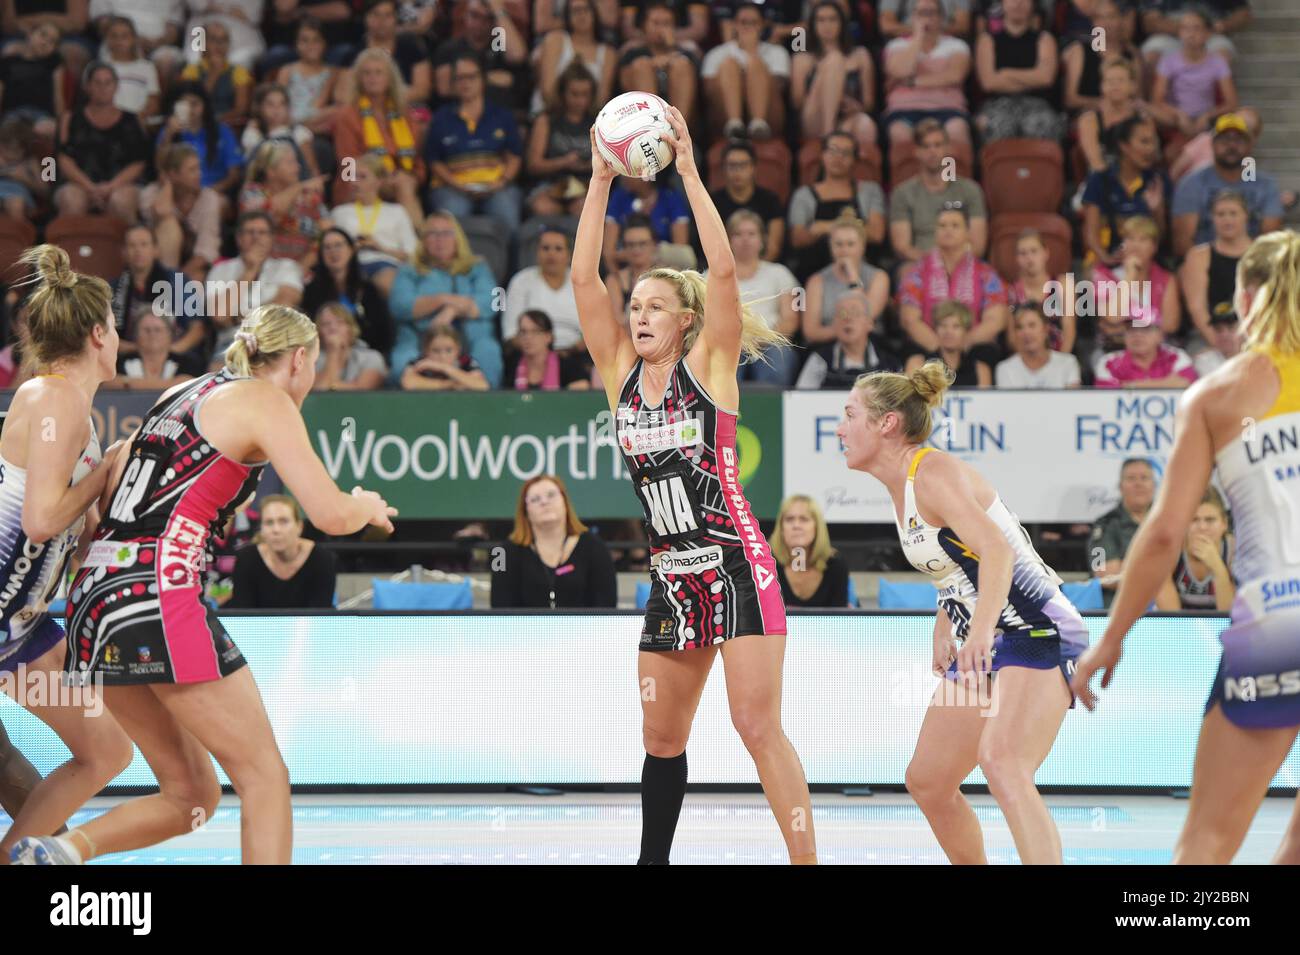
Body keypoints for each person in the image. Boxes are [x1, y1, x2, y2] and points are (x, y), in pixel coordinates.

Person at [11, 303, 397, 866]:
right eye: (311, 367)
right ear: (298, 360)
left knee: (193, 795)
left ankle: (59, 851)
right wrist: (361, 505)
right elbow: (330, 514)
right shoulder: (266, 399)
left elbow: (114, 489)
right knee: (264, 773)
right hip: (158, 591)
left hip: (95, 599)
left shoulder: (181, 392)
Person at [572, 104, 816, 865]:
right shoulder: (617, 372)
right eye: (633, 306)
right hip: (671, 576)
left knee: (756, 726)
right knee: (660, 735)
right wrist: (598, 181)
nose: (638, 314)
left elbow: (724, 271)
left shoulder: (709, 365)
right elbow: (583, 277)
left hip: (736, 562)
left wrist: (687, 171)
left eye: (652, 306)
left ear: (683, 320)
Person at [1070, 231, 1300, 865]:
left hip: (1281, 624)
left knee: (1206, 845)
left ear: (1248, 296)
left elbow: (1166, 531)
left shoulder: (1219, 393)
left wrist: (1111, 637)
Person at [837, 360, 1089, 864]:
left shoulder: (931, 472)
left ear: (887, 423)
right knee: (928, 781)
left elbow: (997, 551)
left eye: (849, 415)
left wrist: (973, 630)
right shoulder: (903, 485)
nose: (840, 428)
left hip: (1038, 627)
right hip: (986, 634)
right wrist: (944, 619)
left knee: (1003, 764)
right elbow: (958, 559)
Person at [0, 246, 133, 861]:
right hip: (6, 621)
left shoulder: (67, 405)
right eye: (116, 326)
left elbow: (60, 533)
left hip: (21, 621)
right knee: (102, 752)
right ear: (98, 333)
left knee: (95, 753)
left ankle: (24, 857)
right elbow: (40, 517)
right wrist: (104, 473)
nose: (120, 338)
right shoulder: (54, 401)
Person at [388, 211, 503, 388]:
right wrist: (442, 300)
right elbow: (400, 306)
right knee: (401, 361)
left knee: (489, 352)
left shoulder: (477, 266)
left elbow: (493, 302)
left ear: (457, 238)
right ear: (423, 240)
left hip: (471, 338)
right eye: (433, 234)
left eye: (446, 233)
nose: (440, 239)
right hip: (420, 337)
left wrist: (452, 310)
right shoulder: (409, 270)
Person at [426, 53, 524, 233]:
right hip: (453, 187)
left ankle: (512, 262)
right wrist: (457, 185)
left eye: (471, 77)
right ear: (453, 83)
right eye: (460, 78)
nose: (466, 82)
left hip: (496, 186)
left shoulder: (502, 116)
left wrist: (501, 182)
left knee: (507, 213)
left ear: (482, 80)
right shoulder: (441, 118)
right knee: (450, 217)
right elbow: (434, 161)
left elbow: (514, 156)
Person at [897, 206, 1009, 360]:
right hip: (929, 346)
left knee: (987, 353)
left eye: (955, 225)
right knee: (912, 352)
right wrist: (939, 348)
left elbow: (995, 320)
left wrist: (962, 345)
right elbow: (909, 319)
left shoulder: (986, 273)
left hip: (972, 347)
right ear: (935, 232)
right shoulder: (917, 272)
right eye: (942, 226)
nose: (948, 230)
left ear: (968, 232)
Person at [332, 48, 426, 228]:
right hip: (359, 184)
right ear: (359, 79)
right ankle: (418, 240)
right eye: (366, 73)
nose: (372, 78)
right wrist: (376, 180)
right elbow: (347, 165)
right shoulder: (347, 115)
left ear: (390, 78)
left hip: (400, 182)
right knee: (403, 187)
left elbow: (418, 162)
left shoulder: (405, 114)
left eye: (378, 72)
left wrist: (414, 177)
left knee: (405, 184)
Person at [490, 476, 617, 608]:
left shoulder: (595, 546)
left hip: (584, 628)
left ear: (565, 502)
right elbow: (499, 609)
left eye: (551, 495)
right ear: (525, 510)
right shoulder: (502, 553)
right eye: (535, 499)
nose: (544, 502)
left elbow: (607, 606)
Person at [1171, 113, 1284, 258]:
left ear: (1250, 145)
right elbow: (1183, 245)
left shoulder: (1266, 185)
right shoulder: (1191, 184)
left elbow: (1270, 240)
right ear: (1212, 144)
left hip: (1252, 262)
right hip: (1203, 265)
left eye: (1238, 140)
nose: (1231, 145)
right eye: (1224, 140)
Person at [54, 61, 149, 223]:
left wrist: (111, 187)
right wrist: (89, 187)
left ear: (116, 86)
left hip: (121, 184)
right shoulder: (69, 119)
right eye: (97, 83)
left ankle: (126, 247)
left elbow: (138, 163)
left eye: (108, 82)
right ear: (87, 86)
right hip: (79, 183)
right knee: (72, 199)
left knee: (120, 201)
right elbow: (64, 159)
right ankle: (71, 247)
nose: (102, 88)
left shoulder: (131, 120)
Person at [786, 130, 887, 280]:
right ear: (822, 155)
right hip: (814, 272)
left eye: (845, 153)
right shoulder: (804, 194)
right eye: (833, 151)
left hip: (862, 272)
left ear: (855, 159)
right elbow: (798, 238)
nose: (838, 158)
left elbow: (876, 234)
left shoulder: (869, 190)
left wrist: (825, 226)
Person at [889, 119, 988, 265]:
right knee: (906, 273)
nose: (932, 151)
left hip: (963, 261)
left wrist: (951, 262)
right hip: (920, 262)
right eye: (926, 146)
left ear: (947, 148)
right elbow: (902, 247)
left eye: (938, 145)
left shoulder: (970, 190)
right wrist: (935, 263)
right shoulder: (902, 193)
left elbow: (978, 246)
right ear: (916, 151)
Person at [881, 0, 973, 156]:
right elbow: (901, 71)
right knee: (900, 133)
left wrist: (912, 82)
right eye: (921, 13)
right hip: (905, 109)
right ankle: (909, 179)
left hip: (947, 108)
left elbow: (954, 76)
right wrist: (918, 37)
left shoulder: (957, 45)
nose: (927, 19)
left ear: (941, 18)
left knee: (956, 130)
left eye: (931, 13)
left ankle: (949, 177)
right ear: (912, 17)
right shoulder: (896, 46)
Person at [1080, 115, 1169, 268]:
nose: (1151, 149)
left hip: (1142, 264)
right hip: (1103, 262)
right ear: (1124, 146)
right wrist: (1106, 259)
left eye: (1153, 142)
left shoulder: (1157, 181)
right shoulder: (1100, 180)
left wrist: (1157, 211)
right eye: (1144, 142)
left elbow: (1160, 239)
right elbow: (1090, 235)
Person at [725, 209, 799, 386]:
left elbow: (791, 321)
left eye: (751, 233)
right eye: (738, 234)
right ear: (728, 239)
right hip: (728, 345)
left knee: (778, 361)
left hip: (771, 342)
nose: (745, 239)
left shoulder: (780, 273)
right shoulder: (711, 277)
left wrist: (762, 338)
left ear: (762, 239)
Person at [1150, 7, 1237, 158]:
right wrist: (1179, 115)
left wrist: (1207, 115)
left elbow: (1232, 103)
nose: (1190, 34)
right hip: (1175, 120)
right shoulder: (1168, 61)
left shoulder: (1218, 63)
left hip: (1206, 120)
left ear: (1208, 33)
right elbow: (1157, 99)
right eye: (1185, 28)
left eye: (1196, 28)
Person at [327, 154, 417, 298]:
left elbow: (412, 253)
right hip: (350, 265)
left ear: (379, 181)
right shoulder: (339, 212)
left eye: (362, 177)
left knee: (387, 281)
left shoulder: (396, 211)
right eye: (353, 176)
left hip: (385, 263)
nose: (355, 182)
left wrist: (380, 248)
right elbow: (329, 246)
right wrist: (351, 248)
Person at [973, 0, 1064, 142]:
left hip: (1037, 103)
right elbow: (989, 82)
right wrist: (1032, 77)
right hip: (997, 104)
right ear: (1002, 4)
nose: (1018, 4)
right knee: (996, 125)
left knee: (1042, 124)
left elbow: (1046, 78)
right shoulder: (987, 40)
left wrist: (1006, 74)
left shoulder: (1045, 39)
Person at [226, 495, 338, 609]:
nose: (276, 530)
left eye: (283, 521)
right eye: (269, 522)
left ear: (299, 526)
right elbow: (243, 614)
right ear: (262, 529)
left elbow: (321, 614)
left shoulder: (322, 558)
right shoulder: (246, 559)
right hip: (260, 627)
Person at [789, 2, 875, 151]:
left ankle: (845, 159)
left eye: (832, 19)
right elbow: (798, 103)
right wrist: (823, 78)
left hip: (846, 117)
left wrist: (856, 107)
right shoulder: (801, 58)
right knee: (835, 58)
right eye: (821, 20)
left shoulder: (861, 54)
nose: (827, 25)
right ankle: (829, 136)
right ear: (812, 24)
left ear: (842, 23)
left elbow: (869, 103)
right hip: (814, 117)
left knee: (866, 125)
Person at [701, 0, 789, 140]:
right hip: (723, 114)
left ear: (762, 25)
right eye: (743, 22)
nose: (748, 27)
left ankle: (758, 124)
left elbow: (779, 89)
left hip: (768, 115)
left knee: (755, 64)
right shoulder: (716, 53)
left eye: (753, 22)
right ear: (734, 25)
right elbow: (709, 92)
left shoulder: (777, 52)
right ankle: (734, 124)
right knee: (729, 64)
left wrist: (751, 53)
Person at [300, 228, 393, 358]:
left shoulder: (367, 289)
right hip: (324, 354)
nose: (333, 252)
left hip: (363, 354)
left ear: (351, 250)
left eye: (338, 245)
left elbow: (382, 333)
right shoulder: (312, 291)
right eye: (327, 247)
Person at [239, 141, 331, 270]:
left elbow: (327, 231)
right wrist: (300, 186)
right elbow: (268, 215)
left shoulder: (308, 196)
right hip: (261, 269)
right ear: (271, 171)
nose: (298, 167)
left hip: (303, 268)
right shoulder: (252, 193)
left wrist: (301, 269)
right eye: (290, 162)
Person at [803, 214, 890, 349]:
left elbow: (865, 318)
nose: (844, 251)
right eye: (838, 244)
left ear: (862, 246)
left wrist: (853, 275)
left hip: (870, 346)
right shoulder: (817, 281)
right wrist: (845, 331)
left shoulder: (879, 277)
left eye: (851, 244)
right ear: (831, 247)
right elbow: (811, 332)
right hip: (828, 347)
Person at [140, 143, 222, 282]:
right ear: (173, 174)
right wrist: (167, 185)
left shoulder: (209, 198)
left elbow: (206, 249)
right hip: (156, 264)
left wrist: (176, 281)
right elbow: (161, 211)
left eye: (198, 168)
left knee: (194, 284)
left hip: (193, 265)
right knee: (168, 225)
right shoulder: (151, 193)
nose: (199, 174)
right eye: (192, 170)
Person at [524, 62, 596, 218]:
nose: (580, 101)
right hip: (549, 185)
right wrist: (564, 162)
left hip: (585, 186)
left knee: (585, 208)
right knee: (543, 207)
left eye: (585, 95)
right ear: (563, 93)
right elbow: (533, 165)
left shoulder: (599, 122)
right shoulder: (546, 120)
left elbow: (610, 164)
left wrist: (585, 166)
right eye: (574, 94)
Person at [1090, 214, 1180, 336]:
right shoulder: (1103, 275)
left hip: (1157, 346)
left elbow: (1170, 324)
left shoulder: (1166, 278)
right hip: (1114, 346)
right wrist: (1130, 275)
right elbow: (1113, 317)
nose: (1135, 245)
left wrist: (1126, 326)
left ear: (1154, 247)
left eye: (1143, 239)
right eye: (1130, 238)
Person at [154, 82, 244, 199]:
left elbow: (234, 174)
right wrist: (168, 135)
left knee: (217, 203)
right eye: (184, 104)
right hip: (177, 193)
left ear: (204, 105)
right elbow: (160, 167)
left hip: (214, 191)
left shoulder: (222, 131)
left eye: (194, 104)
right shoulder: (168, 131)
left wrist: (208, 193)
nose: (190, 109)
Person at [796, 291, 902, 390]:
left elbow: (899, 404)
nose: (848, 319)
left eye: (855, 313)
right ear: (834, 324)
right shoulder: (819, 360)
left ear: (870, 323)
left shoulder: (890, 365)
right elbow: (799, 401)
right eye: (842, 314)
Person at [529, 0, 615, 117]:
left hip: (589, 118)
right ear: (567, 16)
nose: (581, 15)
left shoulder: (608, 53)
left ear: (595, 13)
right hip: (550, 113)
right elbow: (547, 91)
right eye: (575, 11)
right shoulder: (555, 40)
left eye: (586, 10)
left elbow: (601, 99)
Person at [1155, 487, 1235, 612]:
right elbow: (1171, 621)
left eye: (1210, 520)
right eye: (1194, 520)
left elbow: (1231, 616)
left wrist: (1218, 568)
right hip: (1180, 630)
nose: (1202, 527)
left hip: (1223, 629)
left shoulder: (1234, 552)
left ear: (1224, 524)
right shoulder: (1169, 552)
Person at [502, 226, 582, 350]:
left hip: (575, 355)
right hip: (531, 354)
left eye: (558, 249)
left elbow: (595, 332)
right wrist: (541, 354)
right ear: (537, 254)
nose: (551, 253)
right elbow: (511, 334)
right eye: (545, 248)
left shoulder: (583, 282)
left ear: (569, 255)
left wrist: (571, 351)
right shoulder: (521, 281)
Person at [1088, 457, 1156, 603]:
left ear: (1154, 485)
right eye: (1131, 478)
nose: (1138, 484)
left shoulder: (1169, 520)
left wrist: (1127, 567)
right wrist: (1157, 570)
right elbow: (1105, 575)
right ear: (1120, 486)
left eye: (1144, 478)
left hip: (1166, 610)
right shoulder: (1105, 525)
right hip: (1116, 608)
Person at [708, 142, 785, 264]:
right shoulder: (711, 203)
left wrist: (753, 273)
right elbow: (709, 246)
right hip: (723, 269)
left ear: (753, 168)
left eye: (743, 165)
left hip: (763, 268)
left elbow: (773, 249)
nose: (737, 171)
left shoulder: (770, 200)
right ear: (723, 168)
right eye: (732, 165)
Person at [771, 495, 851, 608]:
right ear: (781, 528)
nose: (796, 525)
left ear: (817, 527)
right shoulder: (766, 565)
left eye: (804, 519)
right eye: (789, 519)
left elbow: (839, 621)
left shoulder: (835, 565)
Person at [178, 19, 252, 129]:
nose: (219, 45)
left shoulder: (239, 72)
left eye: (224, 40)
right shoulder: (191, 71)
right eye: (213, 39)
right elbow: (191, 104)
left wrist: (216, 121)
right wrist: (214, 73)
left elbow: (240, 109)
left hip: (226, 125)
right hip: (195, 124)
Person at [1008, 229, 1073, 353]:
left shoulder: (1063, 285)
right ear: (1016, 259)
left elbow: (1069, 332)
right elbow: (1012, 338)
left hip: (1060, 358)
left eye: (1034, 251)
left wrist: (1060, 364)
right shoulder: (1012, 291)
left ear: (1045, 253)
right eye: (1023, 253)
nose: (1029, 258)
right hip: (1025, 360)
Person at [273, 17, 341, 135]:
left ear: (325, 44)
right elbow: (279, 100)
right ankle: (300, 128)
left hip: (313, 115)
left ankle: (301, 128)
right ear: (296, 44)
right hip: (287, 115)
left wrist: (307, 118)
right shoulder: (287, 70)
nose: (311, 45)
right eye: (304, 40)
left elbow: (319, 103)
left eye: (316, 40)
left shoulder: (331, 72)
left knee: (338, 110)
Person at [905, 300, 994, 387]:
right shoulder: (918, 364)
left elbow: (984, 401)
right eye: (943, 325)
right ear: (935, 329)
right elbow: (912, 400)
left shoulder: (981, 370)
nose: (948, 332)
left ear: (966, 331)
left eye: (956, 326)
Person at [105, 312, 201, 390]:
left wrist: (128, 383)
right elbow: (107, 383)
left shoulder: (188, 363)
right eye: (146, 330)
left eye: (157, 330)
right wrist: (172, 384)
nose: (152, 334)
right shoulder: (118, 362)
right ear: (135, 335)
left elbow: (192, 384)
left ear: (170, 334)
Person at [1093, 317, 1197, 389]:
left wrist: (1131, 386)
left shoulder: (1176, 356)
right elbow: (1106, 396)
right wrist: (1165, 383)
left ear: (1160, 335)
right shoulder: (1109, 362)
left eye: (1145, 329)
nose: (1138, 335)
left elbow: (1186, 384)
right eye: (1132, 329)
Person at [995, 303, 1082, 388]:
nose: (1026, 333)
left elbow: (1072, 402)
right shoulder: (1005, 369)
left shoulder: (1068, 363)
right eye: (1019, 327)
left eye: (1032, 325)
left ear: (1045, 329)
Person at [311, 302, 388, 391]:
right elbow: (319, 391)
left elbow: (361, 391)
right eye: (326, 324)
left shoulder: (372, 357)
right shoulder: (312, 360)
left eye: (340, 322)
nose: (333, 328)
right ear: (319, 332)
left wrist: (331, 386)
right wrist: (333, 351)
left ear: (351, 328)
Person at [506, 310, 591, 391]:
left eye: (535, 331)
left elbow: (583, 385)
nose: (528, 337)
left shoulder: (566, 364)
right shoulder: (512, 364)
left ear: (549, 336)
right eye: (523, 332)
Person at [399, 325, 489, 391]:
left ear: (458, 349)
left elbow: (482, 386)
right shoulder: (419, 363)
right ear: (426, 350)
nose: (442, 356)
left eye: (448, 350)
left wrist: (445, 369)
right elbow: (408, 383)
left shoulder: (466, 361)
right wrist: (447, 385)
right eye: (436, 351)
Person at [1194, 312, 1242, 378]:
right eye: (1218, 329)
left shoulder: (1255, 358)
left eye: (1231, 328)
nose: (1224, 335)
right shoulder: (1205, 360)